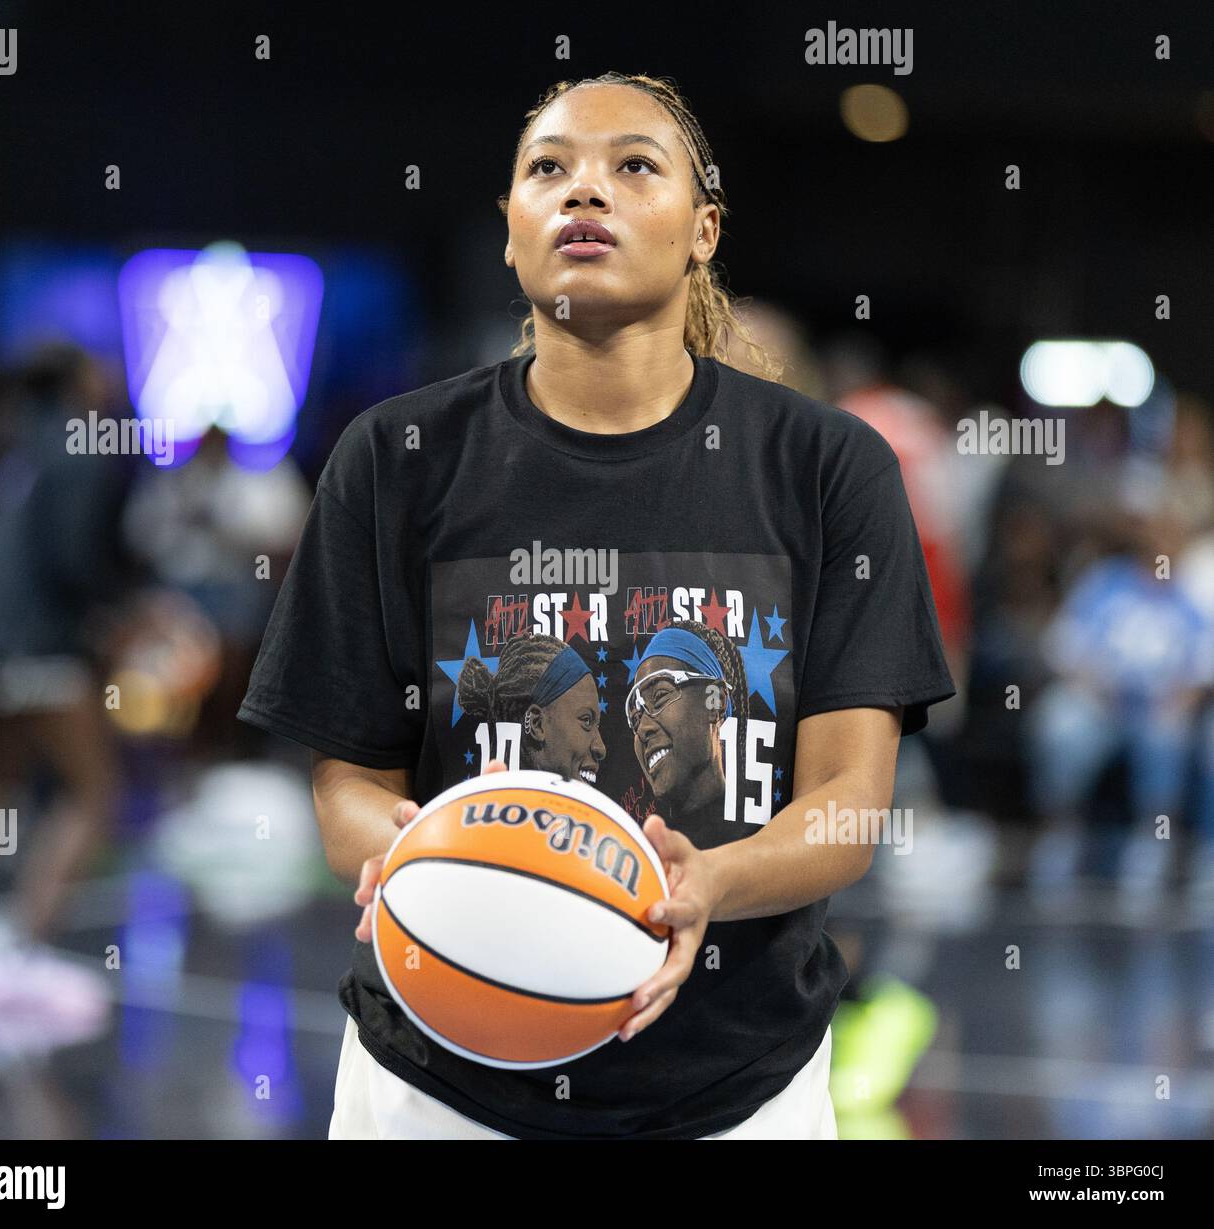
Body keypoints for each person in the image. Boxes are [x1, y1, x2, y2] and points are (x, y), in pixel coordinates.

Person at [239, 71, 955, 1140]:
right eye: (548, 169)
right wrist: (395, 847)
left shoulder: (823, 463)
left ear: (703, 229)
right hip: (437, 1075)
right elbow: (349, 778)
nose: (586, 192)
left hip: (737, 1085)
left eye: (633, 165)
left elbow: (849, 803)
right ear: (508, 229)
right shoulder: (397, 456)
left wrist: (706, 880)